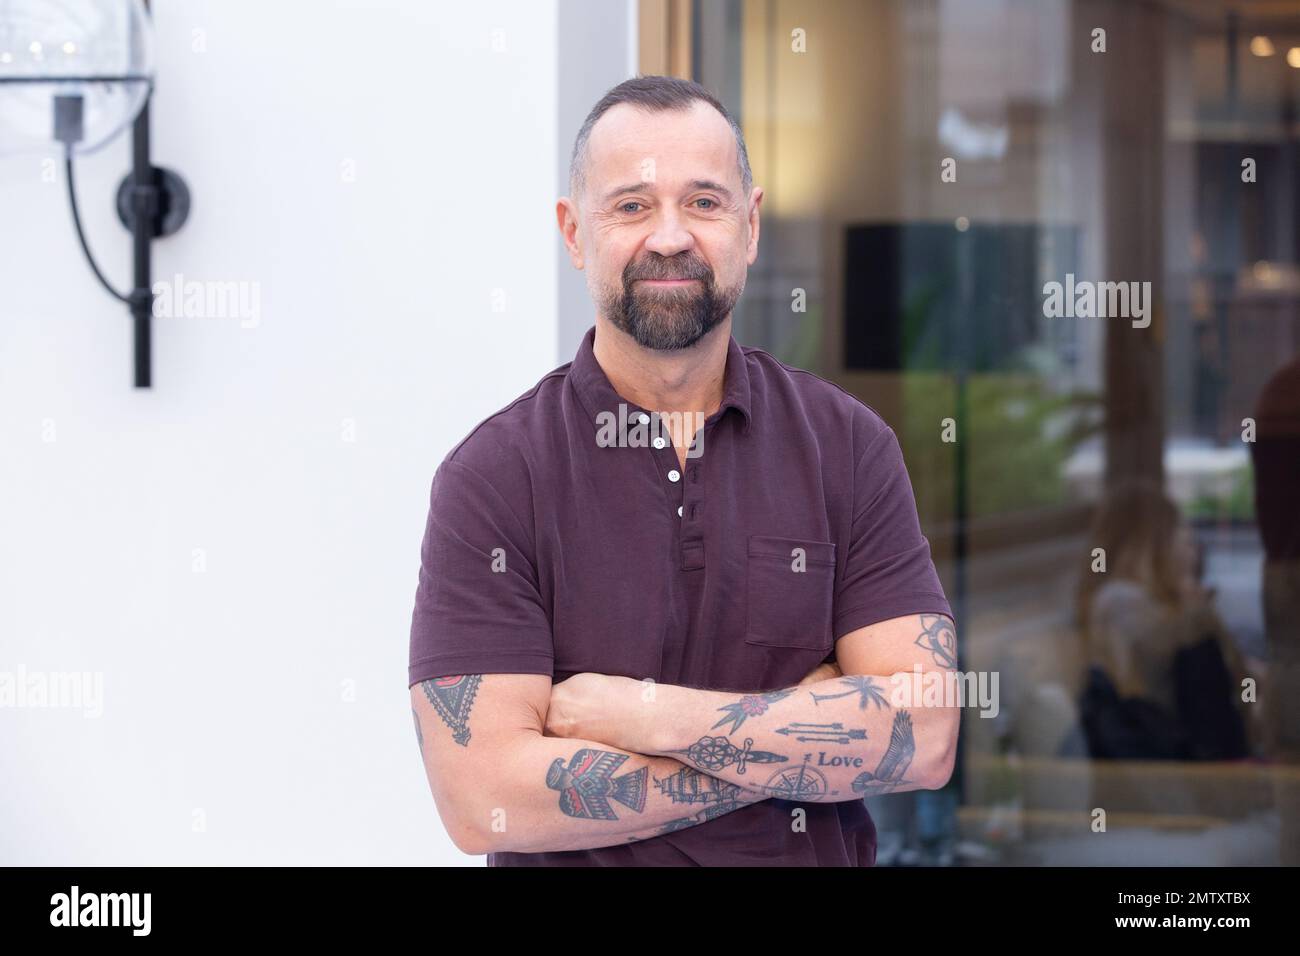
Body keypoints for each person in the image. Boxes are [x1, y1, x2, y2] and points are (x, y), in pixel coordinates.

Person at [407, 75, 958, 866]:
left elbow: (926, 732)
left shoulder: (848, 446)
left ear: (751, 224)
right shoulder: (495, 477)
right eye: (631, 206)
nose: (670, 236)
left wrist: (645, 716)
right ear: (573, 233)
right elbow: (484, 797)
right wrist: (794, 739)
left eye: (704, 202)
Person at [1073, 480, 1255, 761]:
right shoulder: (1118, 600)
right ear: (1154, 542)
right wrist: (1198, 612)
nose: (1191, 550)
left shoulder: (1140, 601)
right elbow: (1163, 649)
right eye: (1182, 537)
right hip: (1169, 750)